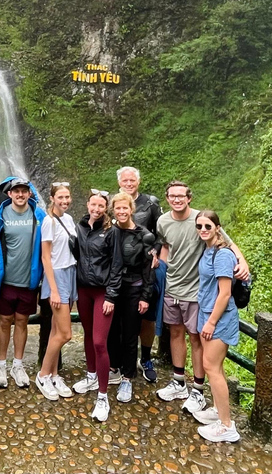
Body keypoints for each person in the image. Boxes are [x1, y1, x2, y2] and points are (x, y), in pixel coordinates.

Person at [156, 181, 249, 414]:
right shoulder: (163, 221)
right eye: (172, 196)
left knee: (196, 339)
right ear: (167, 198)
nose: (177, 200)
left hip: (196, 292)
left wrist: (243, 262)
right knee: (175, 333)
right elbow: (166, 245)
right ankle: (179, 382)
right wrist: (159, 263)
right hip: (172, 288)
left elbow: (227, 242)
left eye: (181, 196)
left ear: (189, 198)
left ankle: (198, 389)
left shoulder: (202, 219)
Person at [0, 178, 46, 389]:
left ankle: (18, 364)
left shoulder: (39, 215)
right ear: (10, 194)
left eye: (24, 191)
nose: (21, 195)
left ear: (29, 193)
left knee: (22, 321)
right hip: (5, 280)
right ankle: (1, 364)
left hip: (28, 280)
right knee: (4, 321)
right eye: (17, 191)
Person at [73, 190, 122, 422]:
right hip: (83, 289)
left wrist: (111, 296)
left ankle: (103, 396)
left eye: (101, 206)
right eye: (93, 205)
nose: (96, 209)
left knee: (99, 342)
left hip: (102, 291)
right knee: (87, 335)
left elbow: (116, 265)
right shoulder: (80, 227)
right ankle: (91, 375)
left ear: (106, 208)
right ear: (88, 204)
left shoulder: (111, 232)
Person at [194, 210, 240, 442]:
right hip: (207, 313)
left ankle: (227, 426)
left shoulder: (222, 255)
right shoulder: (209, 249)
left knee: (212, 368)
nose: (203, 230)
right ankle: (218, 411)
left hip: (218, 318)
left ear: (218, 228)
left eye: (208, 226)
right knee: (215, 367)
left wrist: (211, 322)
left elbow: (225, 293)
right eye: (199, 226)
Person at [107, 192, 154, 404]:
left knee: (130, 334)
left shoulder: (143, 235)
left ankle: (127, 377)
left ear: (131, 209)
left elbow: (148, 269)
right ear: (113, 210)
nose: (122, 211)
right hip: (112, 289)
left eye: (125, 208)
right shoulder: (109, 231)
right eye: (118, 208)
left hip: (134, 289)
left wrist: (145, 296)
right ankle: (113, 368)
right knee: (111, 330)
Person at [117, 166, 163, 383]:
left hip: (146, 270)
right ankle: (120, 360)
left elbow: (161, 234)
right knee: (121, 318)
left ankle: (145, 358)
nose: (128, 183)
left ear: (139, 181)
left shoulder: (150, 203)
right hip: (121, 272)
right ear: (119, 182)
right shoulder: (115, 203)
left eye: (132, 180)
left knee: (147, 316)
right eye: (125, 180)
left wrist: (156, 252)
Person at [35, 183, 77, 401]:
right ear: (52, 198)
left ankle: (54, 374)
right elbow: (45, 257)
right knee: (65, 333)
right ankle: (42, 375)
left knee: (55, 330)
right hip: (57, 277)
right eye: (60, 197)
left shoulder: (68, 219)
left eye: (67, 197)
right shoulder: (48, 222)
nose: (65, 201)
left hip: (70, 273)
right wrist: (53, 289)